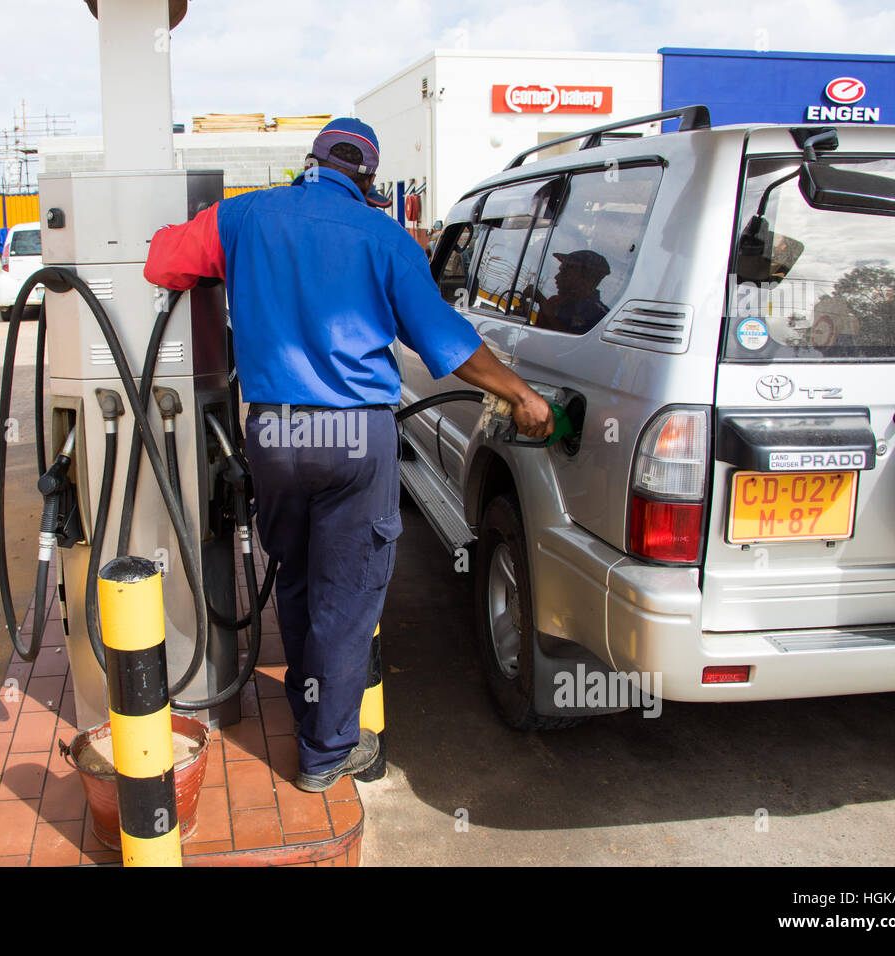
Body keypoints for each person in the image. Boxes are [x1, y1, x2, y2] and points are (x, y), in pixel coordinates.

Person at [143, 117, 553, 792]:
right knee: (348, 596)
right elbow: (443, 340)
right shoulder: (384, 236)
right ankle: (328, 751)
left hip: (274, 434)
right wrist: (522, 395)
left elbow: (162, 263)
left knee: (299, 576)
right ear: (366, 179)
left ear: (310, 163)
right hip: (354, 438)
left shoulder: (243, 216)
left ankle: (310, 701)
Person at [533, 249, 612, 334]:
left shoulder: (602, 317)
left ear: (587, 280)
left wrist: (546, 308)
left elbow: (572, 344)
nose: (557, 277)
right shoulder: (555, 302)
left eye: (565, 272)